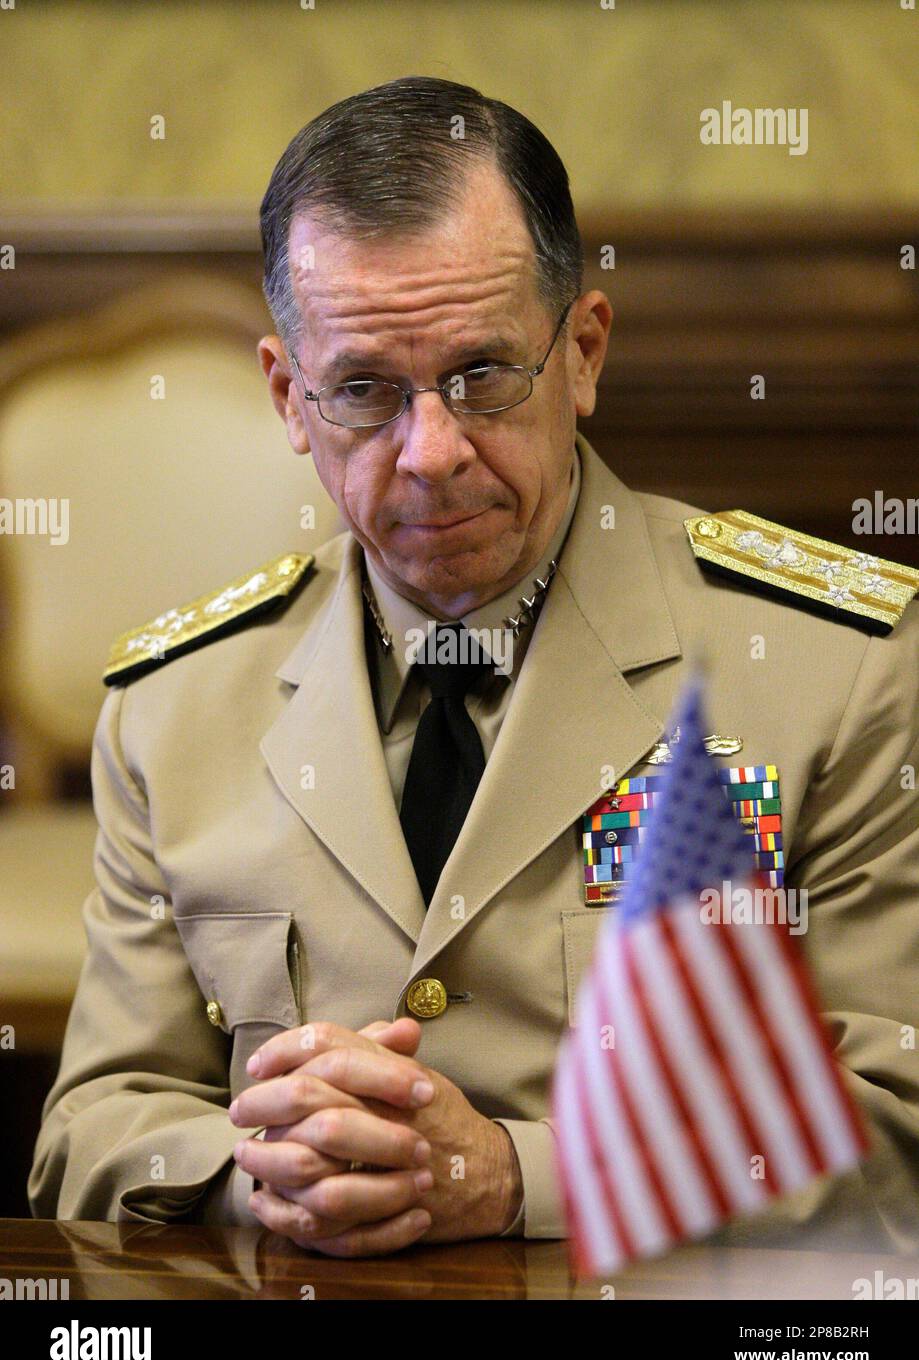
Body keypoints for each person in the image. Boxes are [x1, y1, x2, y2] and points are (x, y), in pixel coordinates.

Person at [29, 76, 919, 1260]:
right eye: (362, 392)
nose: (432, 453)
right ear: (289, 399)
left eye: (482, 376)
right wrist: (261, 1174)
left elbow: (894, 1126)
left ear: (583, 352)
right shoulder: (174, 705)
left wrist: (515, 1174)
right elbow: (91, 1126)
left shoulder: (833, 669)